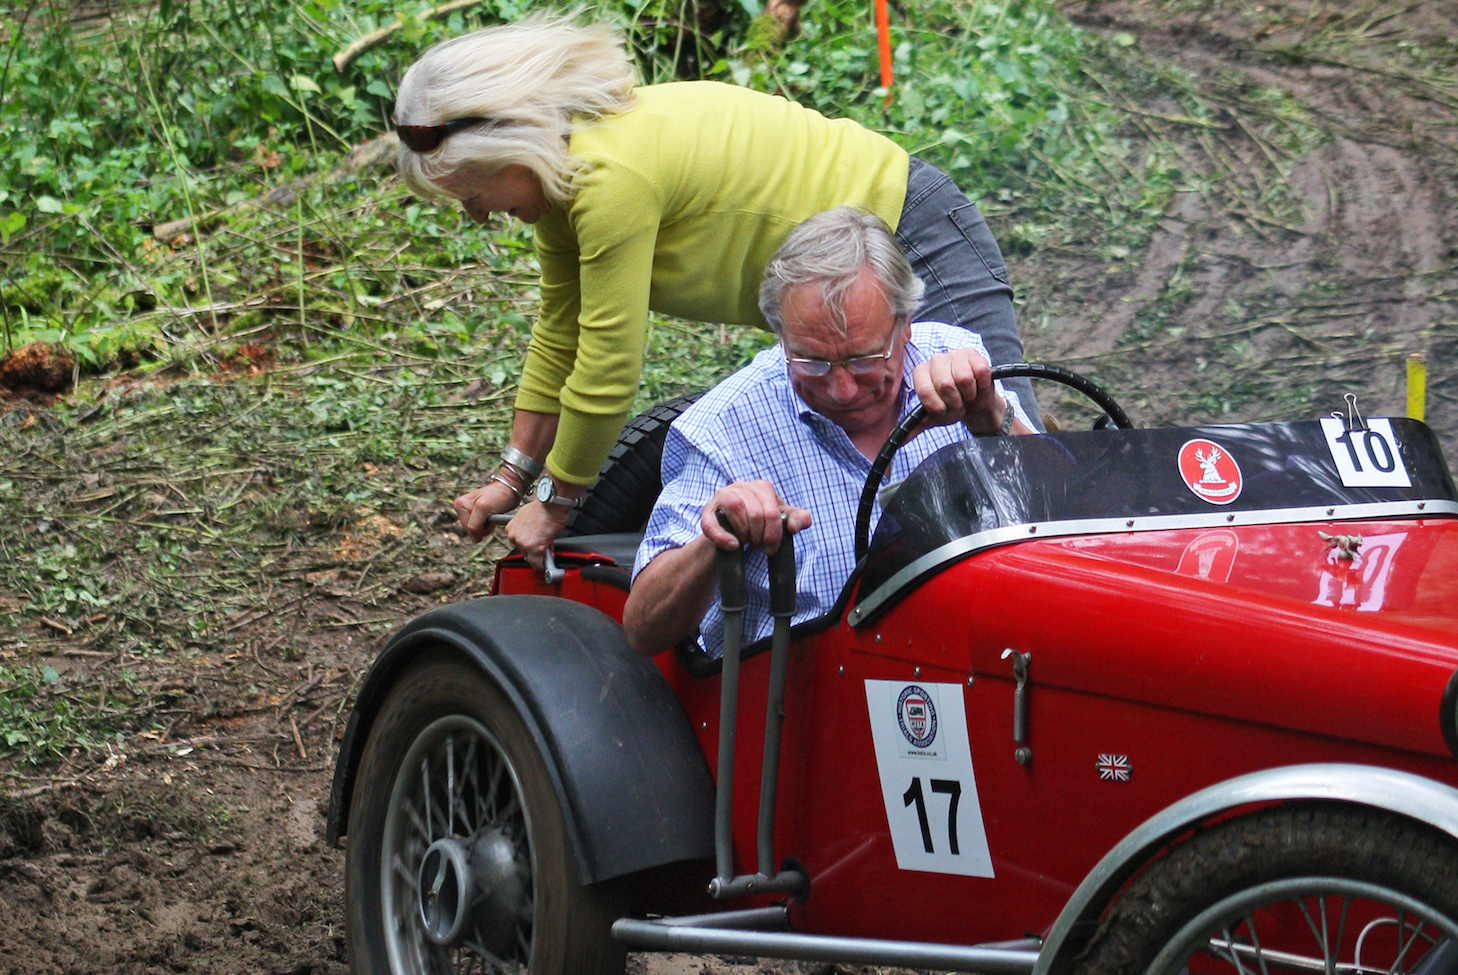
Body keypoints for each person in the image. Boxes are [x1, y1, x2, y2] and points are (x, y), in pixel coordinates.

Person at [391, 14, 1039, 572]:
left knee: (1021, 483)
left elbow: (608, 370)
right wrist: (514, 479)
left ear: (511, 151)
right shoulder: (566, 182)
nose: (476, 216)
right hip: (849, 271)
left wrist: (555, 506)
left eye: (471, 195)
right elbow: (563, 333)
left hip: (908, 232)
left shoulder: (610, 178)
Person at [622, 208, 1033, 658]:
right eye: (812, 362)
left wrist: (992, 415)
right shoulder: (725, 429)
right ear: (781, 336)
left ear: (905, 324)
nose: (841, 389)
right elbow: (644, 628)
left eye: (863, 359)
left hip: (972, 670)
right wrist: (716, 538)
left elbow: (1076, 511)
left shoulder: (957, 361)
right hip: (807, 706)